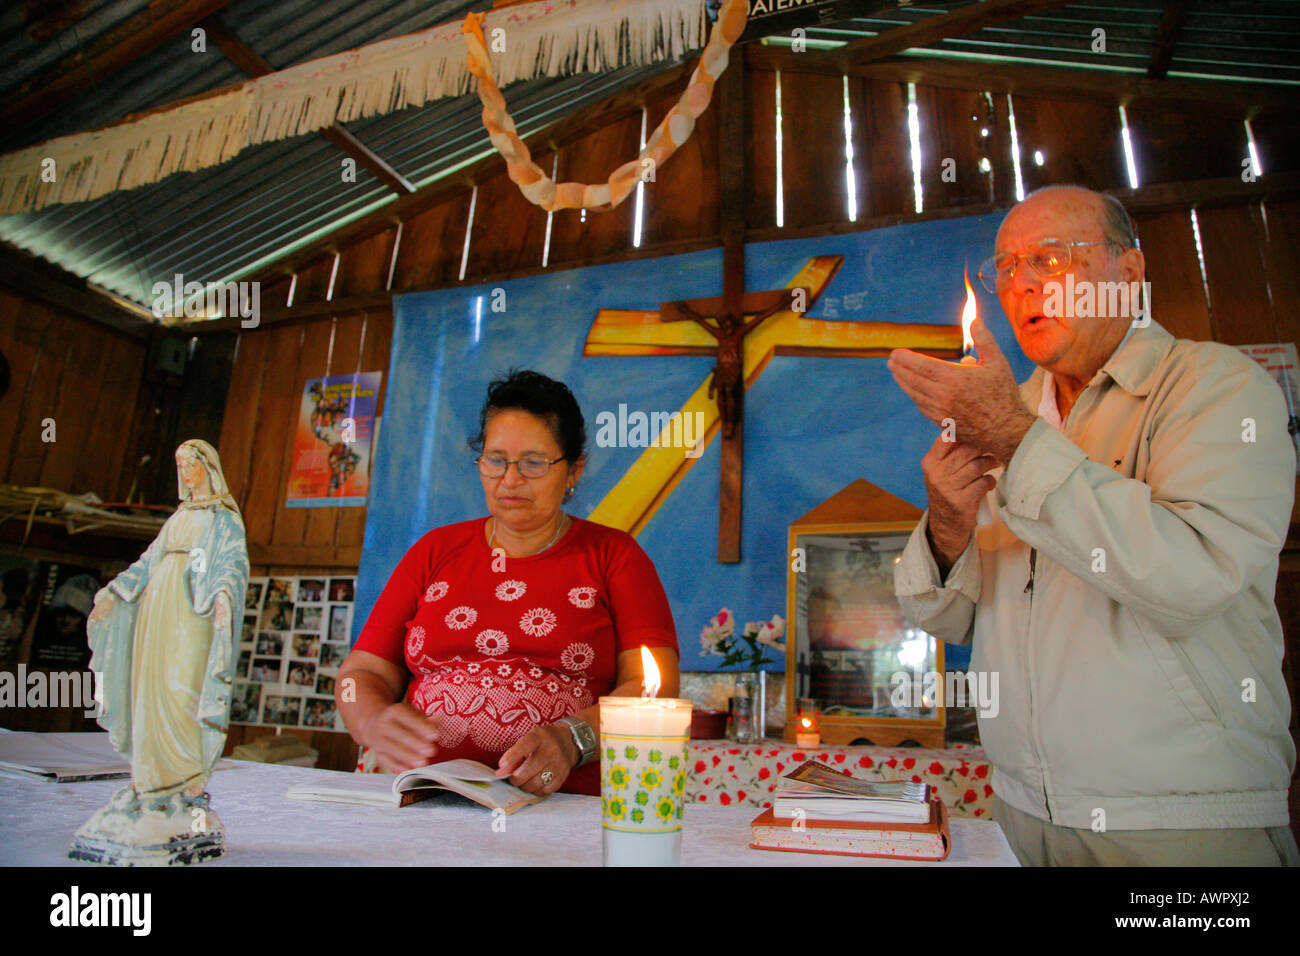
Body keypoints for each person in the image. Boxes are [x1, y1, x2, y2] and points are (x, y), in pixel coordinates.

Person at [887, 184, 1298, 866]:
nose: (1021, 286)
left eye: (1049, 259)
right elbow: (947, 621)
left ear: (1128, 273)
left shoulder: (1215, 386)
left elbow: (1193, 577)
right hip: (1021, 814)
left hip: (1178, 824)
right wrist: (948, 528)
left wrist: (1019, 443)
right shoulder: (1014, 412)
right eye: (1007, 268)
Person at [340, 369, 679, 796]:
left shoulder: (614, 556)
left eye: (534, 463)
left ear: (574, 469)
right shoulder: (434, 551)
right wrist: (371, 719)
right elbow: (358, 674)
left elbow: (656, 685)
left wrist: (573, 739)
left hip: (561, 802)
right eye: (496, 460)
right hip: (420, 799)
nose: (511, 479)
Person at [86, 439, 249, 808]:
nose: (185, 473)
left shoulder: (222, 519)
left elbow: (232, 564)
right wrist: (113, 592)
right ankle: (149, 779)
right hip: (157, 611)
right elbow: (148, 562)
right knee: (151, 686)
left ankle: (185, 777)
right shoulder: (179, 517)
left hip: (194, 608)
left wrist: (223, 597)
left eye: (190, 464)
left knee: (183, 686)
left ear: (207, 468)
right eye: (179, 466)